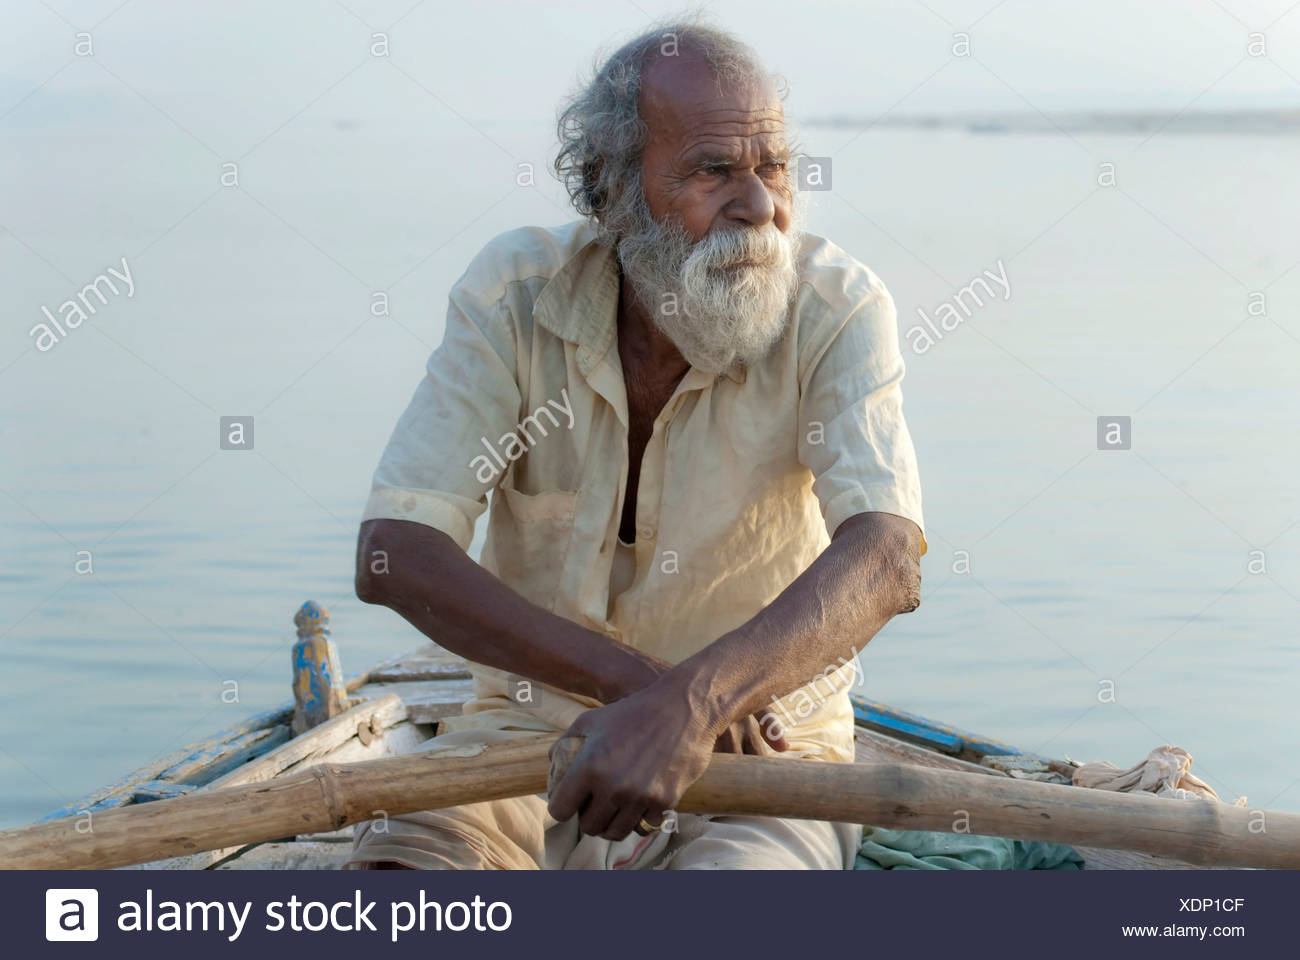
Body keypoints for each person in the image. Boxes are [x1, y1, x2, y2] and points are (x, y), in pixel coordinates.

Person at [344, 18, 925, 870]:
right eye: (712, 171)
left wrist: (699, 706)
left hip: (762, 762)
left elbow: (887, 558)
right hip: (526, 748)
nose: (760, 206)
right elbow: (395, 552)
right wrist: (652, 696)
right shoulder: (515, 295)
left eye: (773, 169)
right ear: (609, 190)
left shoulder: (836, 307)